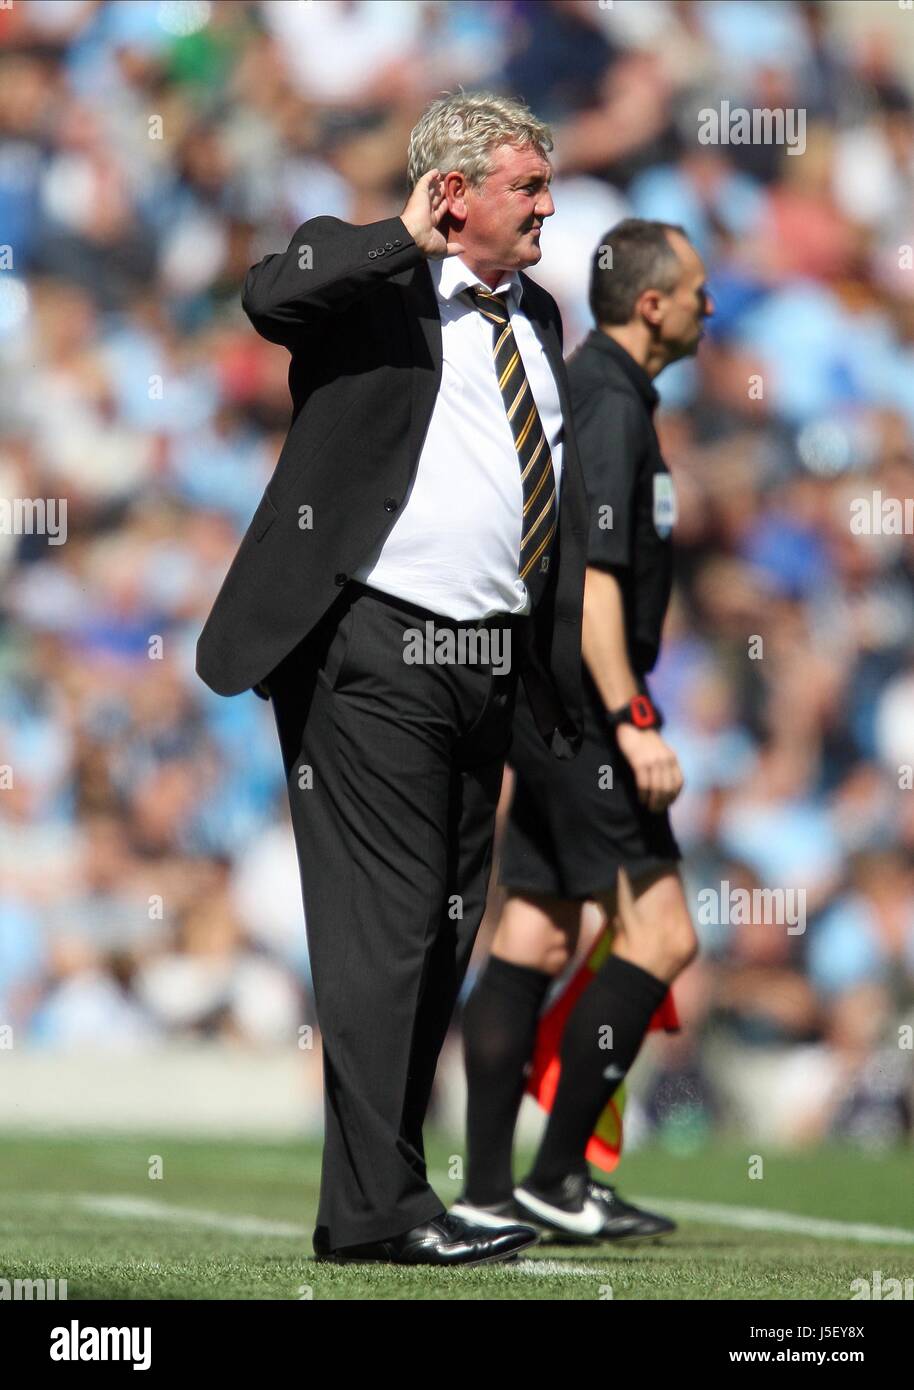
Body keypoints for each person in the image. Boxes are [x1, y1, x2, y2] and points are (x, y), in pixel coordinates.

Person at [196, 92, 591, 1266]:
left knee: (440, 928)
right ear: (456, 193)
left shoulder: (540, 316)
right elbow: (271, 291)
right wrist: (400, 236)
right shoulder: (367, 279)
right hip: (371, 644)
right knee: (389, 928)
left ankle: (378, 1197)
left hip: (487, 658)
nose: (547, 206)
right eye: (526, 186)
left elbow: (539, 501)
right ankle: (380, 1208)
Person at [456, 219, 712, 1241]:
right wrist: (634, 720)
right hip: (586, 716)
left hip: (547, 710)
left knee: (534, 929)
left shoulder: (598, 391)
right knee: (663, 934)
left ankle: (483, 1188)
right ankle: (556, 1178)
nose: (707, 306)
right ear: (650, 305)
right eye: (696, 290)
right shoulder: (607, 403)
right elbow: (591, 592)